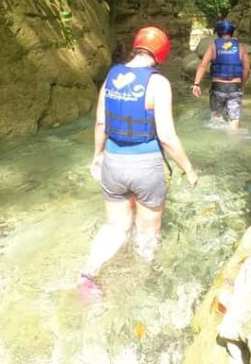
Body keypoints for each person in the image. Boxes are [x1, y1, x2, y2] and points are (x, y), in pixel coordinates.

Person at [78, 26, 198, 301]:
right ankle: (135, 293)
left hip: (113, 163)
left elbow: (101, 122)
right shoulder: (158, 83)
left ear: (136, 46)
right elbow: (166, 136)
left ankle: (89, 273)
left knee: (116, 227)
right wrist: (188, 169)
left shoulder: (112, 75)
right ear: (162, 54)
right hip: (146, 167)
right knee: (146, 234)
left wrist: (97, 155)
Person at [192, 20, 251, 130]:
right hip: (235, 87)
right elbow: (247, 70)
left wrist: (196, 84)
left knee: (216, 119)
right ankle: (233, 142)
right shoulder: (241, 47)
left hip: (218, 87)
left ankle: (216, 145)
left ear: (218, 32)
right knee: (234, 121)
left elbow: (202, 65)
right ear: (232, 32)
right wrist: (241, 84)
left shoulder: (213, 46)